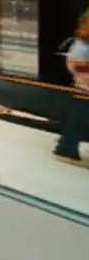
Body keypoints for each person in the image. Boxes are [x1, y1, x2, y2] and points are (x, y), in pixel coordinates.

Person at [57, 10, 89, 166]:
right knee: (78, 119)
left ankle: (66, 147)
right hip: (84, 89)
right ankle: (66, 148)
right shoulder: (80, 47)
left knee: (77, 120)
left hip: (84, 89)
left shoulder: (82, 46)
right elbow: (77, 66)